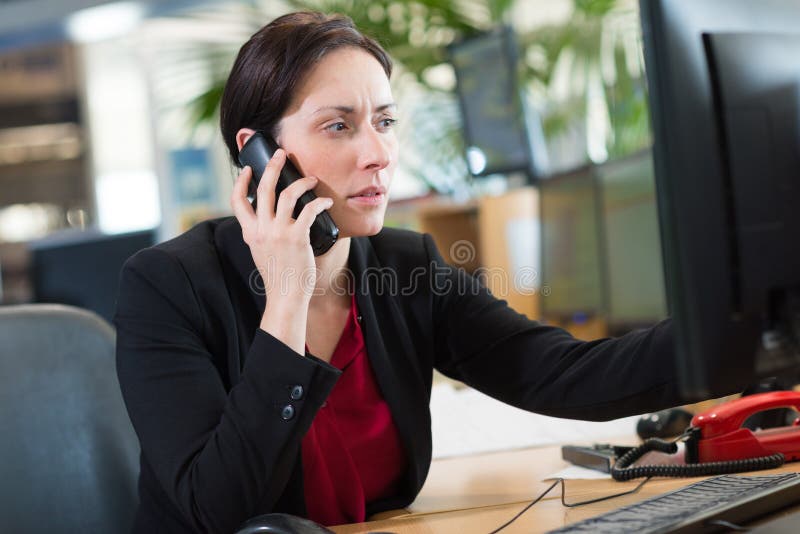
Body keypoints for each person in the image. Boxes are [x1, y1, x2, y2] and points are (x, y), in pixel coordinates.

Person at [114, 11, 678, 534]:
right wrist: (286, 302)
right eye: (338, 125)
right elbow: (218, 511)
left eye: (384, 120)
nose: (378, 152)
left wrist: (741, 331)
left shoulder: (406, 268)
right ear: (259, 153)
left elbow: (563, 373)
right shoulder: (167, 287)